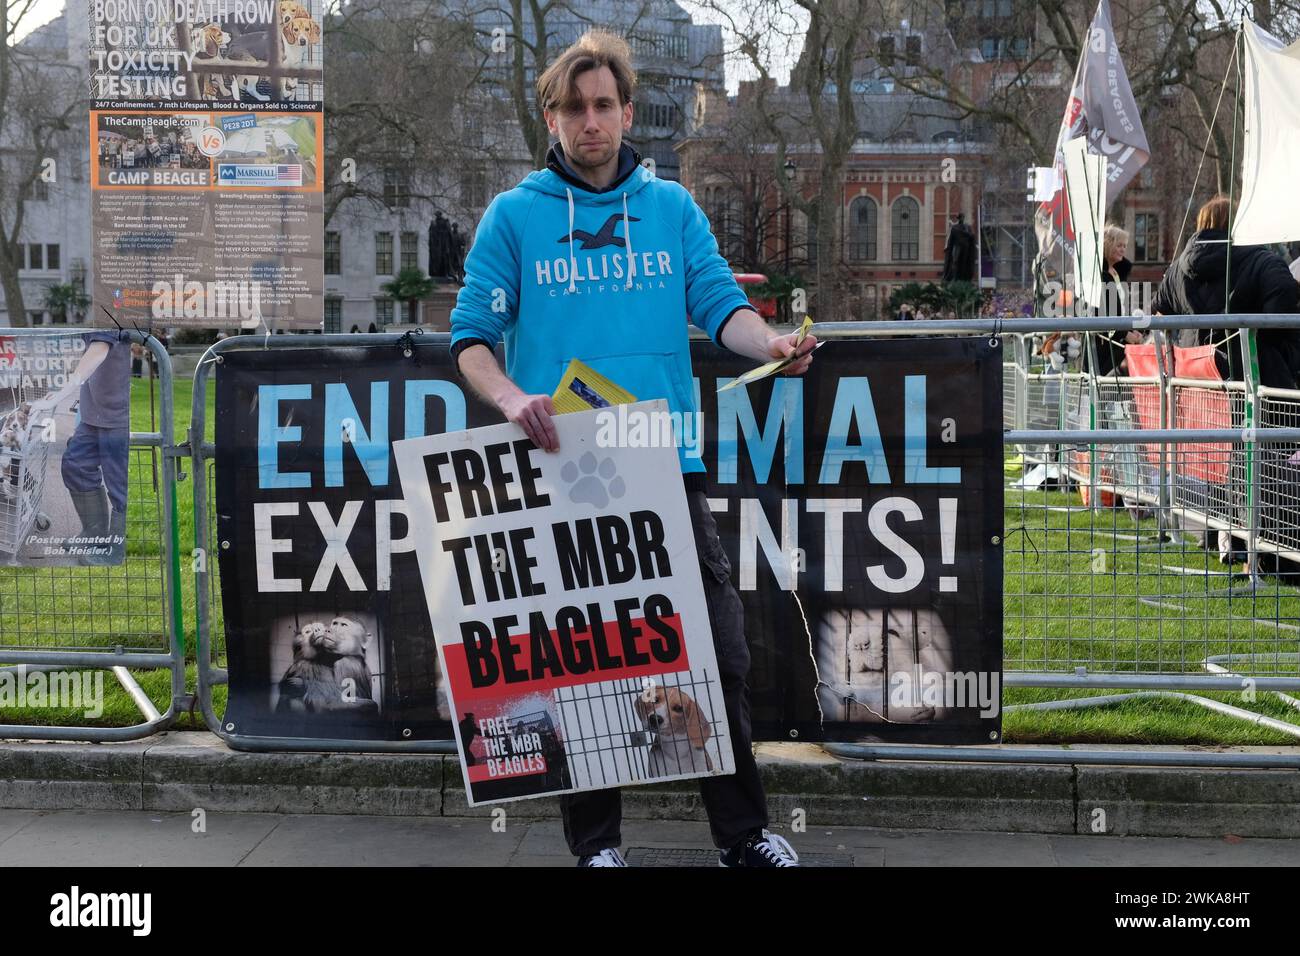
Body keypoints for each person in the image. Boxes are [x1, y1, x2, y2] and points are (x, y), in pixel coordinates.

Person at [449, 30, 812, 868]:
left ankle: (745, 836)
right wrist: (510, 398)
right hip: (559, 475)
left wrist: (774, 345)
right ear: (551, 115)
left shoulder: (673, 209)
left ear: (624, 109)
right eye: (573, 107)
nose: (590, 121)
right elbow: (470, 337)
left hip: (663, 469)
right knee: (583, 667)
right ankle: (598, 849)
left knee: (716, 657)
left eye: (604, 104)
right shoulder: (514, 216)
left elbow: (723, 307)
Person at [48, 330, 132, 565]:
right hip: (92, 414)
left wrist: (61, 392)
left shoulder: (106, 303)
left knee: (118, 486)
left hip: (116, 416)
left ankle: (115, 550)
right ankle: (94, 533)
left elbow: (99, 350)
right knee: (75, 465)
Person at [1089, 223, 1140, 376]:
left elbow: (1120, 309)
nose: (1123, 249)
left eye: (1124, 246)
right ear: (1107, 245)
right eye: (1119, 245)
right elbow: (1103, 313)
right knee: (1106, 385)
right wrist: (1125, 334)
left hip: (1118, 339)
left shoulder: (1117, 273)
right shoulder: (1100, 275)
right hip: (1105, 344)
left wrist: (1131, 330)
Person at [942, 213, 976, 283]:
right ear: (958, 218)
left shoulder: (967, 227)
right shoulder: (955, 228)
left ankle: (963, 278)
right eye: (960, 217)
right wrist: (948, 248)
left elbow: (972, 237)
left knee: (964, 263)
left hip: (965, 249)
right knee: (955, 262)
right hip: (957, 247)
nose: (961, 219)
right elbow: (951, 240)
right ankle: (955, 278)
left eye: (962, 217)